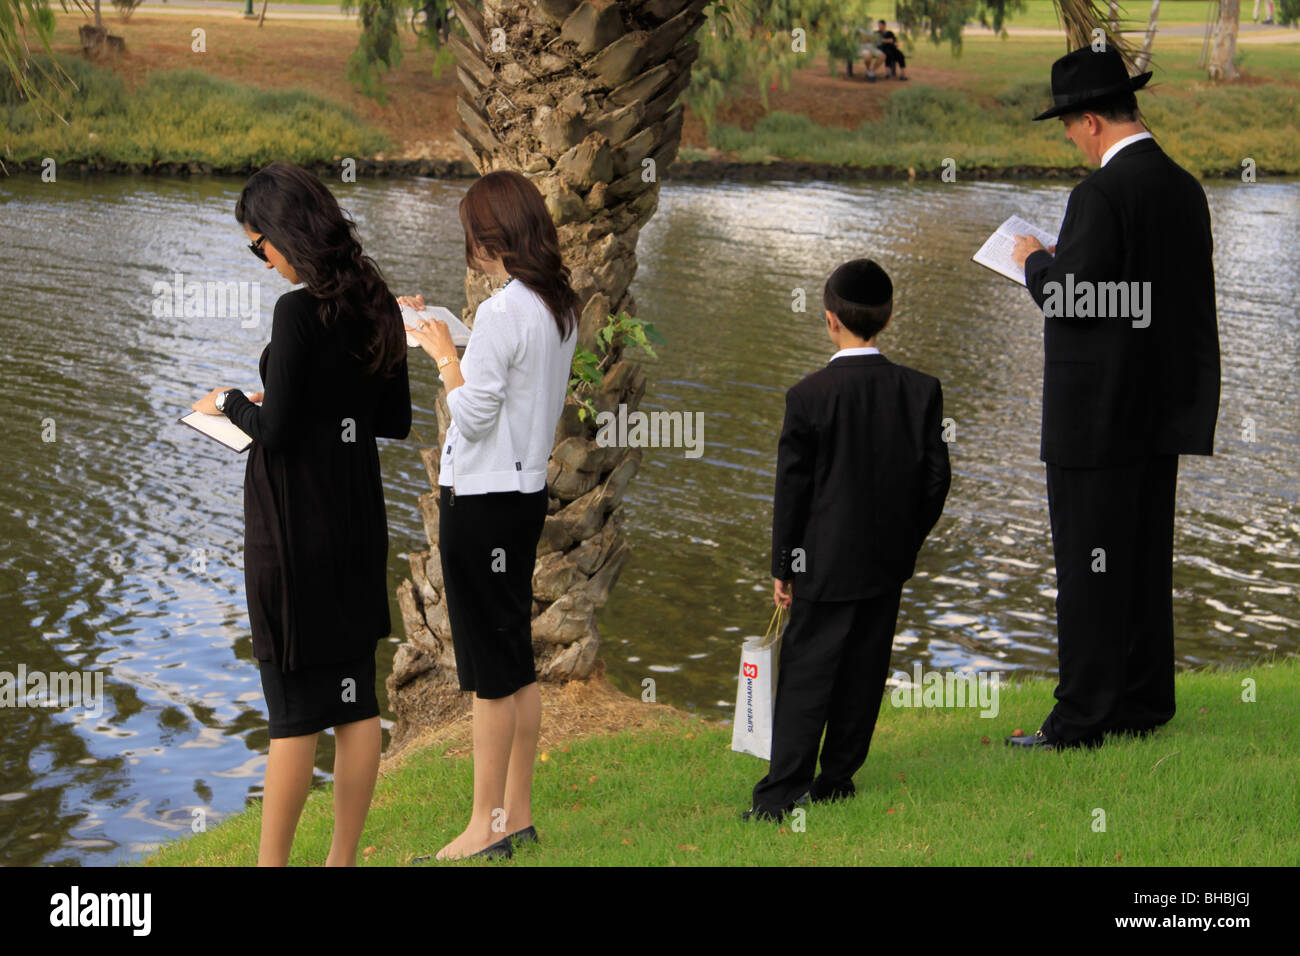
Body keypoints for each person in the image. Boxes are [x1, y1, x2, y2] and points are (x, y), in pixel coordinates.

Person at [191, 162, 411, 865]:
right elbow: (395, 419)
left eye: (260, 244)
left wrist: (227, 401)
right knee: (354, 704)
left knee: (291, 715)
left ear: (286, 233)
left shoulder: (295, 311)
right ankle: (341, 861)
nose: (263, 258)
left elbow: (276, 433)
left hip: (293, 536)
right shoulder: (376, 300)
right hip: (356, 524)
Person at [1008, 47, 1221, 750]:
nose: (1069, 136)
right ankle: (1143, 699)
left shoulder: (1099, 196)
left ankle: (1079, 720)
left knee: (1088, 568)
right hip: (1159, 412)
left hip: (1096, 418)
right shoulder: (1184, 187)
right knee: (1140, 559)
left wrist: (1034, 259)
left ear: (1092, 120)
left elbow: (1072, 298)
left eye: (1069, 124)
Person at [402, 170, 578, 860]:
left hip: (480, 503)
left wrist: (446, 358)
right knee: (514, 660)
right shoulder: (551, 301)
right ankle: (518, 817)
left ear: (492, 236)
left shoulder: (508, 309)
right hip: (523, 495)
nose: (467, 245)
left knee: (489, 674)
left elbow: (472, 414)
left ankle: (483, 828)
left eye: (470, 233)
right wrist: (446, 329)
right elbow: (507, 372)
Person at [746, 259, 950, 822]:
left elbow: (794, 489)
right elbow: (936, 481)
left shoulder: (809, 395)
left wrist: (784, 564)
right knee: (865, 669)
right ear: (887, 319)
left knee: (808, 675)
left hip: (822, 564)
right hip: (886, 562)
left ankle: (780, 795)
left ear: (830, 320)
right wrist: (905, 539)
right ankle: (837, 779)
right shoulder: (921, 390)